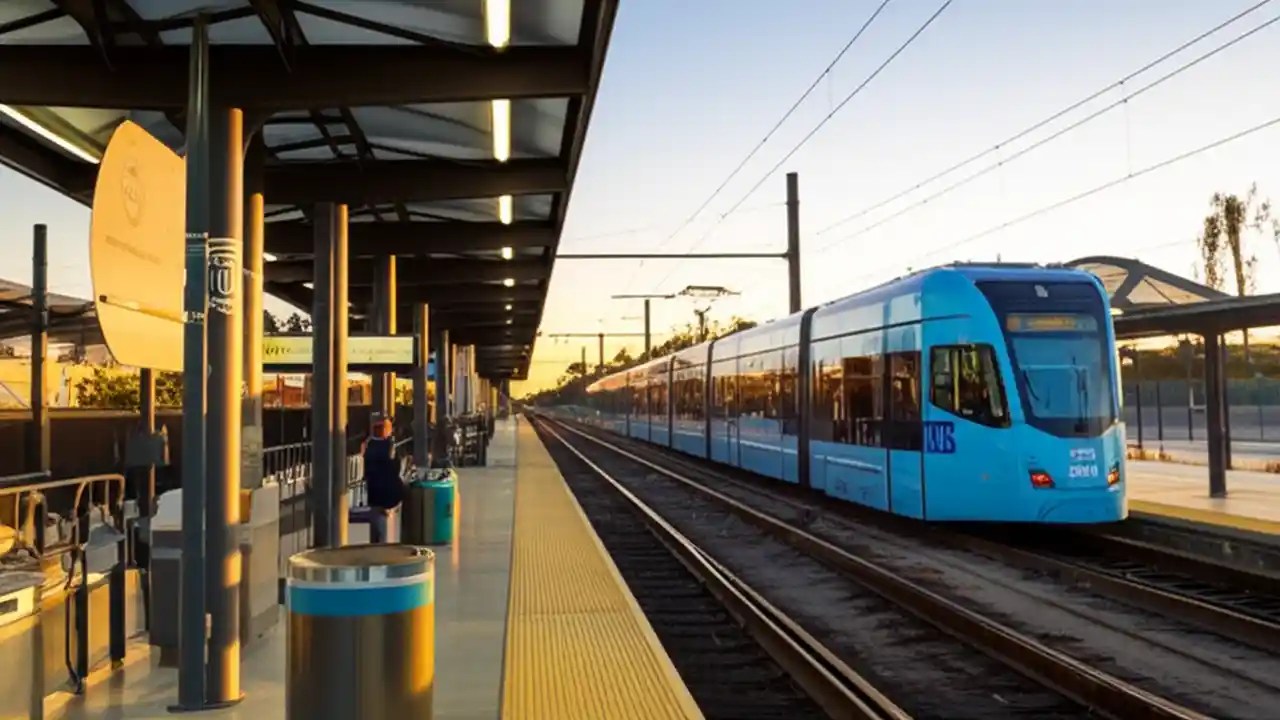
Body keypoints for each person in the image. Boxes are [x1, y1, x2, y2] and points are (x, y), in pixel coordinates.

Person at [362, 414, 404, 543]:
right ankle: (380, 547)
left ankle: (375, 545)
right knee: (381, 524)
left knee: (376, 523)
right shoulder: (390, 446)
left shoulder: (369, 445)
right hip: (386, 492)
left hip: (374, 491)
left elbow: (367, 467)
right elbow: (396, 466)